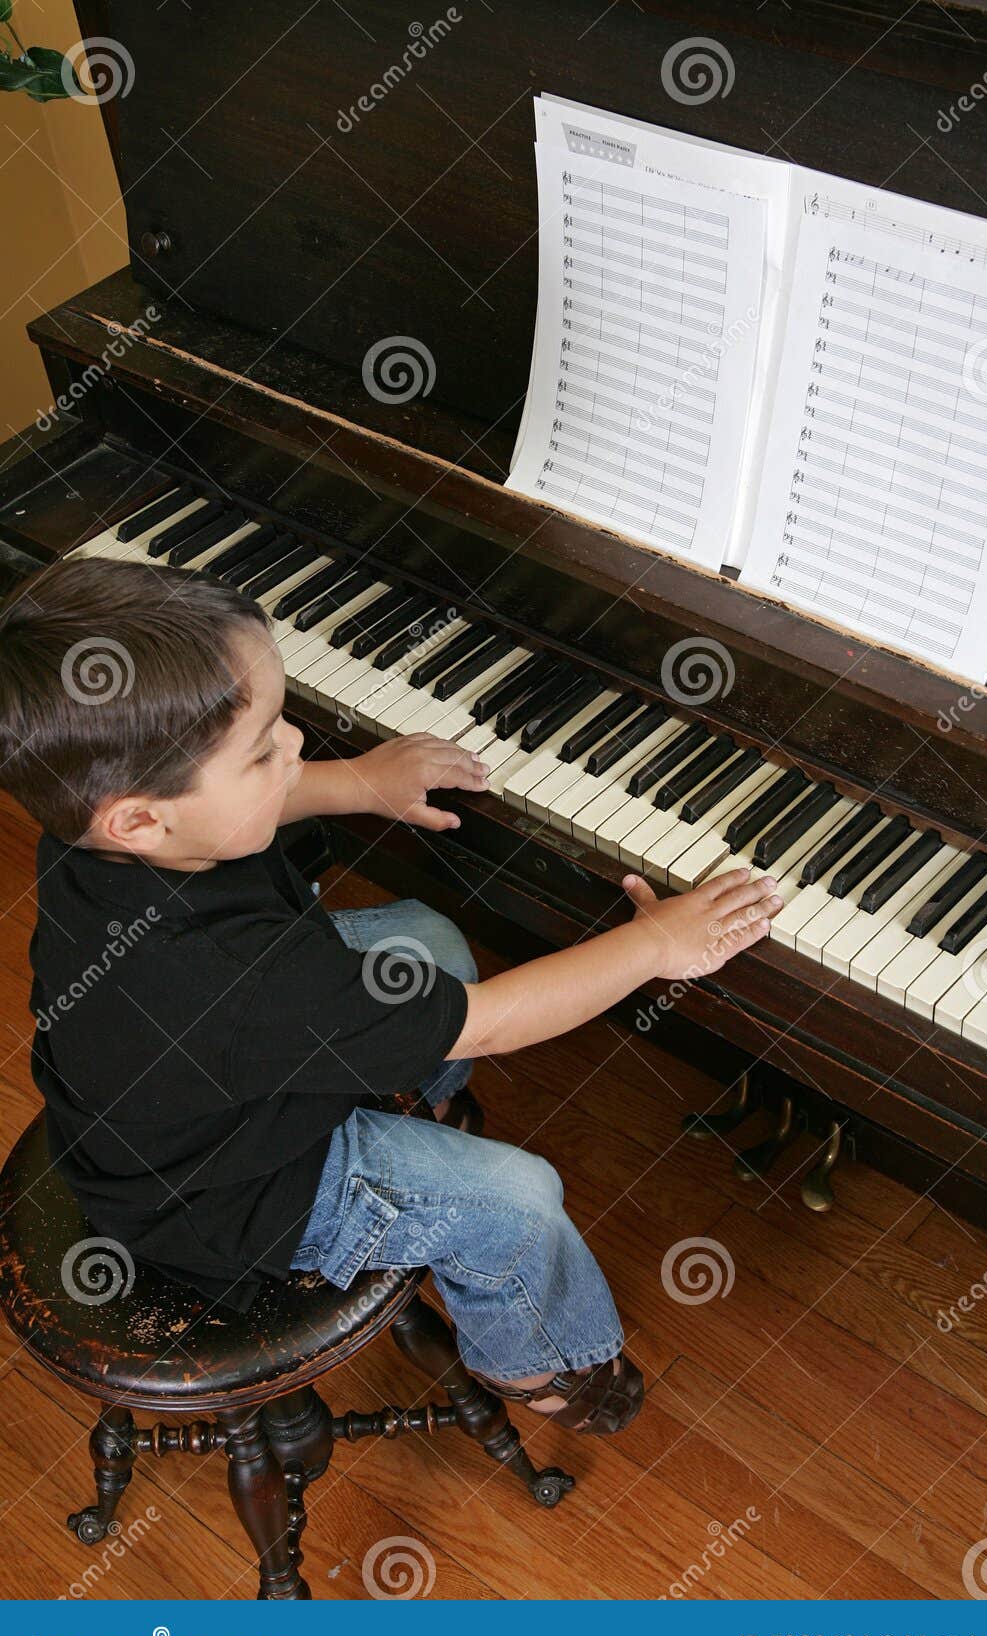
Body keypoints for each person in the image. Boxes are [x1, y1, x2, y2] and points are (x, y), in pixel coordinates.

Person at [0, 555, 781, 1436]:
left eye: (280, 721)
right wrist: (654, 945)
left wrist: (360, 782)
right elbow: (491, 1025)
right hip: (229, 1195)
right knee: (514, 1199)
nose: (296, 745)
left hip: (198, 1092)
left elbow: (242, 815)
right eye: (262, 752)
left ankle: (417, 1124)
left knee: (426, 940)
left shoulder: (99, 825)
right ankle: (538, 1363)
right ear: (139, 818)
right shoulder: (235, 982)